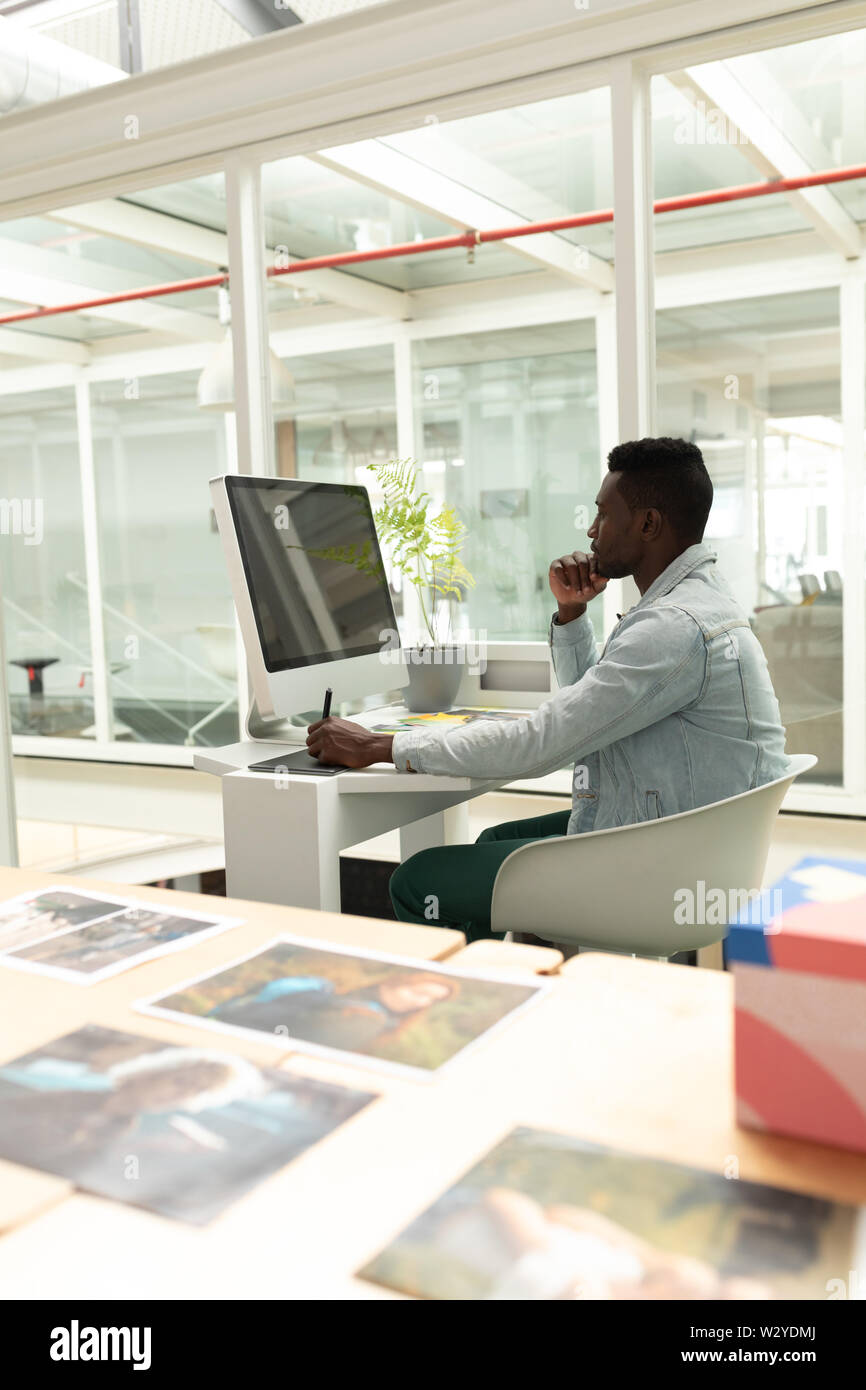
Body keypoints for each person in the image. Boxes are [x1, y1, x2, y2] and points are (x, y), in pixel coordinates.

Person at [306, 437, 788, 941]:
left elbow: (543, 743)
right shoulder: (698, 601)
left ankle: (482, 984)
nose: (591, 530)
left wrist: (382, 746)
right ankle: (507, 978)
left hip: (664, 872)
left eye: (604, 514)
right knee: (492, 841)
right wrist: (572, 613)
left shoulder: (673, 626)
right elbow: (590, 719)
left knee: (417, 880)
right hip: (687, 843)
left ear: (648, 524)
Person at [208, 970, 457, 1052]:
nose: (422, 1003)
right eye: (419, 992)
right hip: (220, 1029)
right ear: (393, 981)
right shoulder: (330, 989)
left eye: (431, 1000)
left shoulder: (367, 1020)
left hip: (229, 1042)